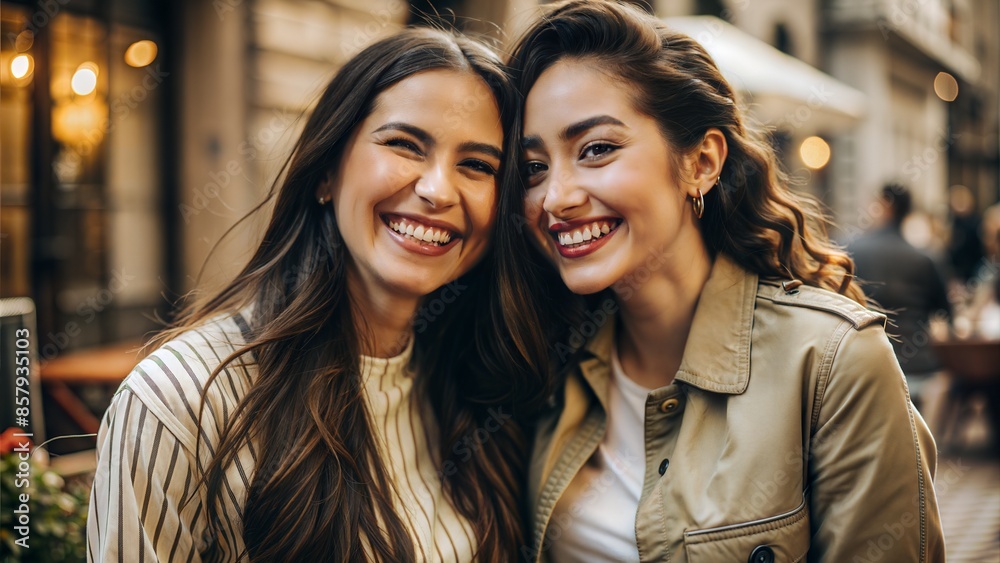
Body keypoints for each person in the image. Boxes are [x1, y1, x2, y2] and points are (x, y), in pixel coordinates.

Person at [501, 2, 946, 562]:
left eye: (596, 149)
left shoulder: (833, 363)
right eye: (534, 168)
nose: (556, 197)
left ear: (701, 162)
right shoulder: (541, 354)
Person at [88, 28, 547, 562]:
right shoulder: (182, 400)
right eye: (404, 145)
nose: (437, 190)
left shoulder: (485, 385)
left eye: (478, 166)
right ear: (327, 171)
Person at [848, 183, 952, 408]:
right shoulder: (925, 258)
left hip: (866, 365)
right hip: (918, 367)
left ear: (885, 205)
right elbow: (945, 311)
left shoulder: (852, 251)